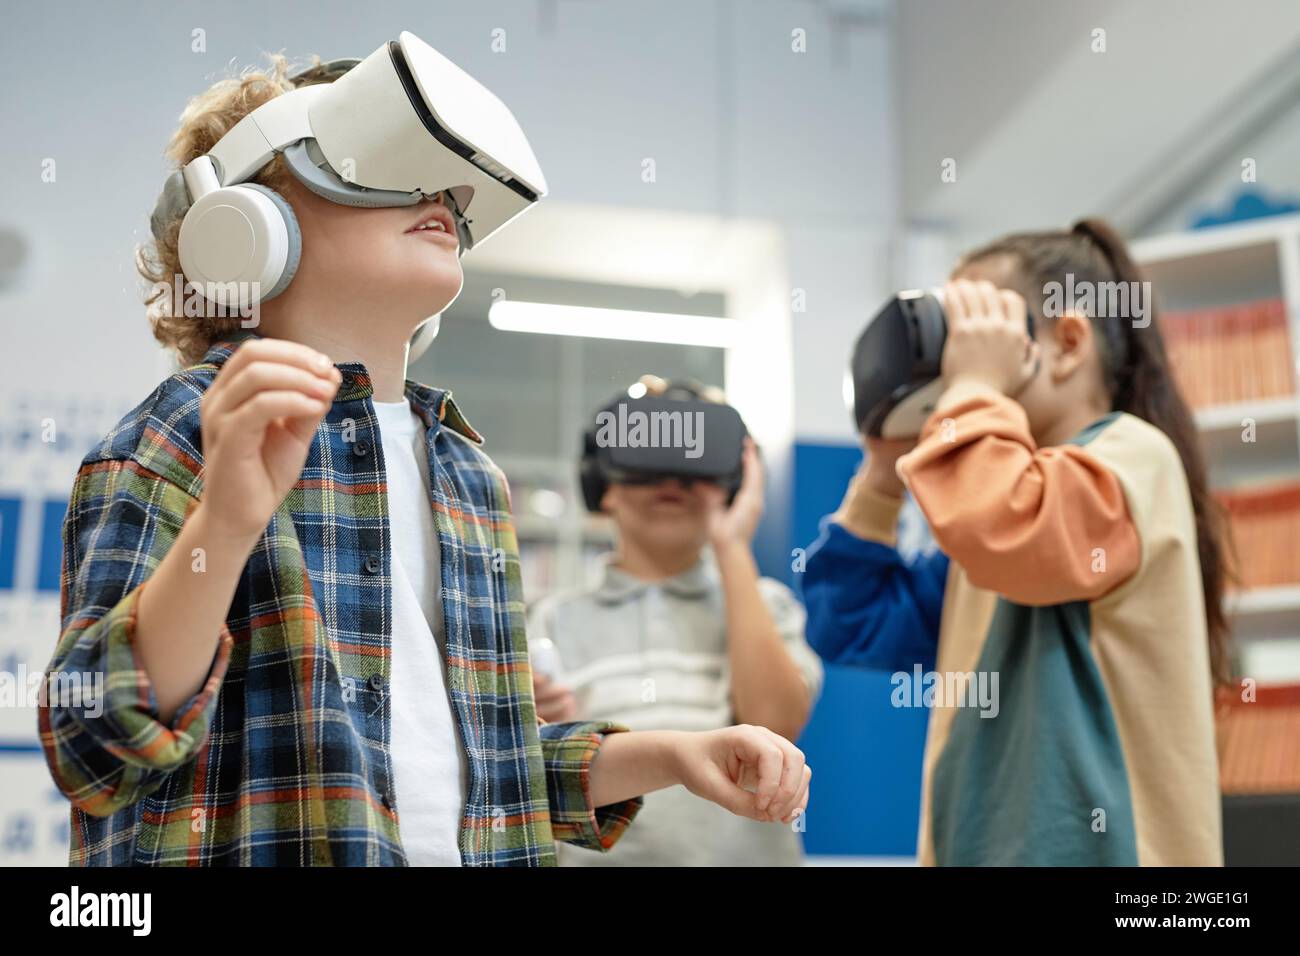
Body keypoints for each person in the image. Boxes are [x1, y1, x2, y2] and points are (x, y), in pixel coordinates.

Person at [38, 54, 810, 866]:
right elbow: (91, 740)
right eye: (378, 167)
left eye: (445, 182)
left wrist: (672, 755)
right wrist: (226, 525)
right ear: (245, 224)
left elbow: (487, 773)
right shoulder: (185, 429)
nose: (439, 196)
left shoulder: (468, 476)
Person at [803, 219, 1228, 866]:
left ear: (1066, 342)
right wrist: (883, 474)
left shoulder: (1133, 460)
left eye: (979, 329)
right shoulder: (987, 522)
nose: (956, 363)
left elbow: (1015, 528)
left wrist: (973, 389)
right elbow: (849, 621)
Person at [531, 377, 822, 866]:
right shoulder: (553, 619)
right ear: (602, 487)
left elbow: (776, 723)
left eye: (694, 471)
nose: (670, 484)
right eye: (645, 468)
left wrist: (731, 545)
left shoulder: (764, 604)